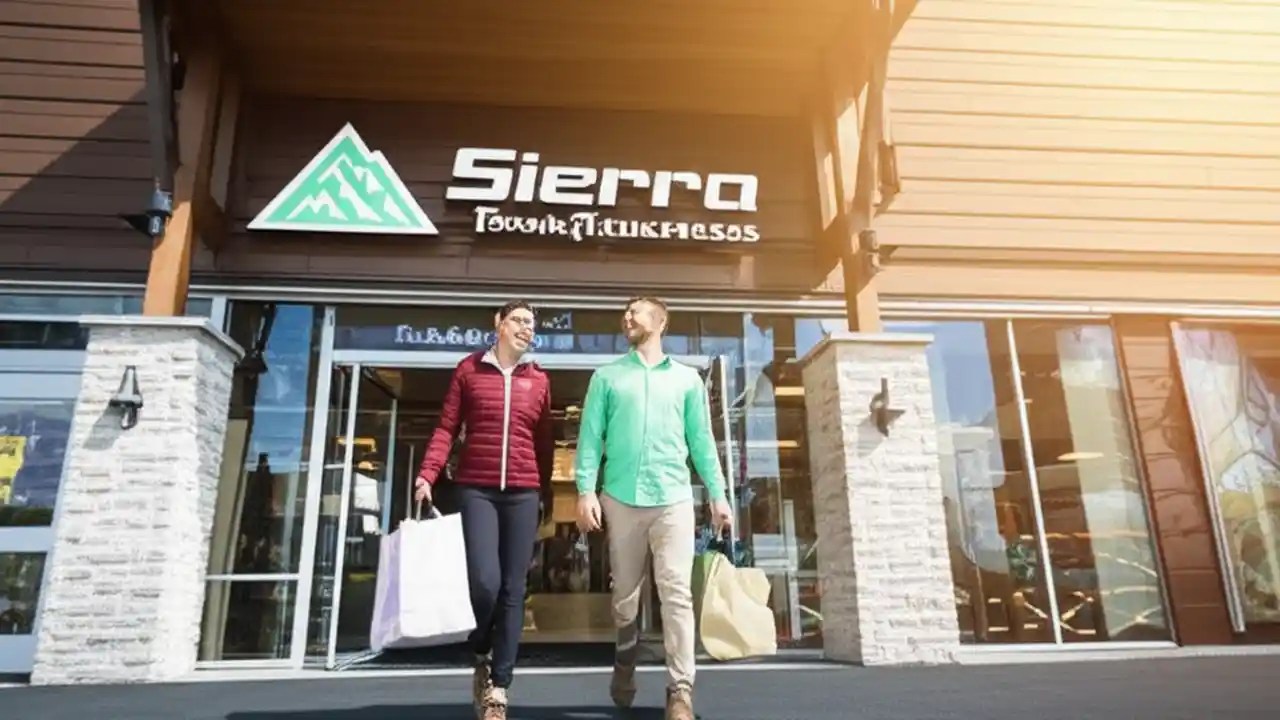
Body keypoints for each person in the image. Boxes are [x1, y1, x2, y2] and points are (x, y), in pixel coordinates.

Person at [573, 296, 733, 720]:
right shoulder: (606, 377)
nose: (627, 316)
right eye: (625, 311)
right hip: (621, 498)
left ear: (660, 322)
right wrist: (586, 490)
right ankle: (625, 666)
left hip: (674, 499)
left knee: (676, 593)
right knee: (625, 599)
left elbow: (701, 441)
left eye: (637, 311)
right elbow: (590, 439)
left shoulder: (686, 381)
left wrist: (717, 494)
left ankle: (680, 690)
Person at [414, 300, 553, 720]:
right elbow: (446, 427)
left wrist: (543, 489)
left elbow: (545, 441)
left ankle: (499, 689)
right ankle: (480, 650)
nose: (526, 329)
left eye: (532, 324)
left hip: (524, 492)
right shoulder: (469, 370)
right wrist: (428, 474)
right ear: (498, 323)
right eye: (519, 321)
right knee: (484, 583)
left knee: (514, 590)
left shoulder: (539, 381)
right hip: (476, 488)